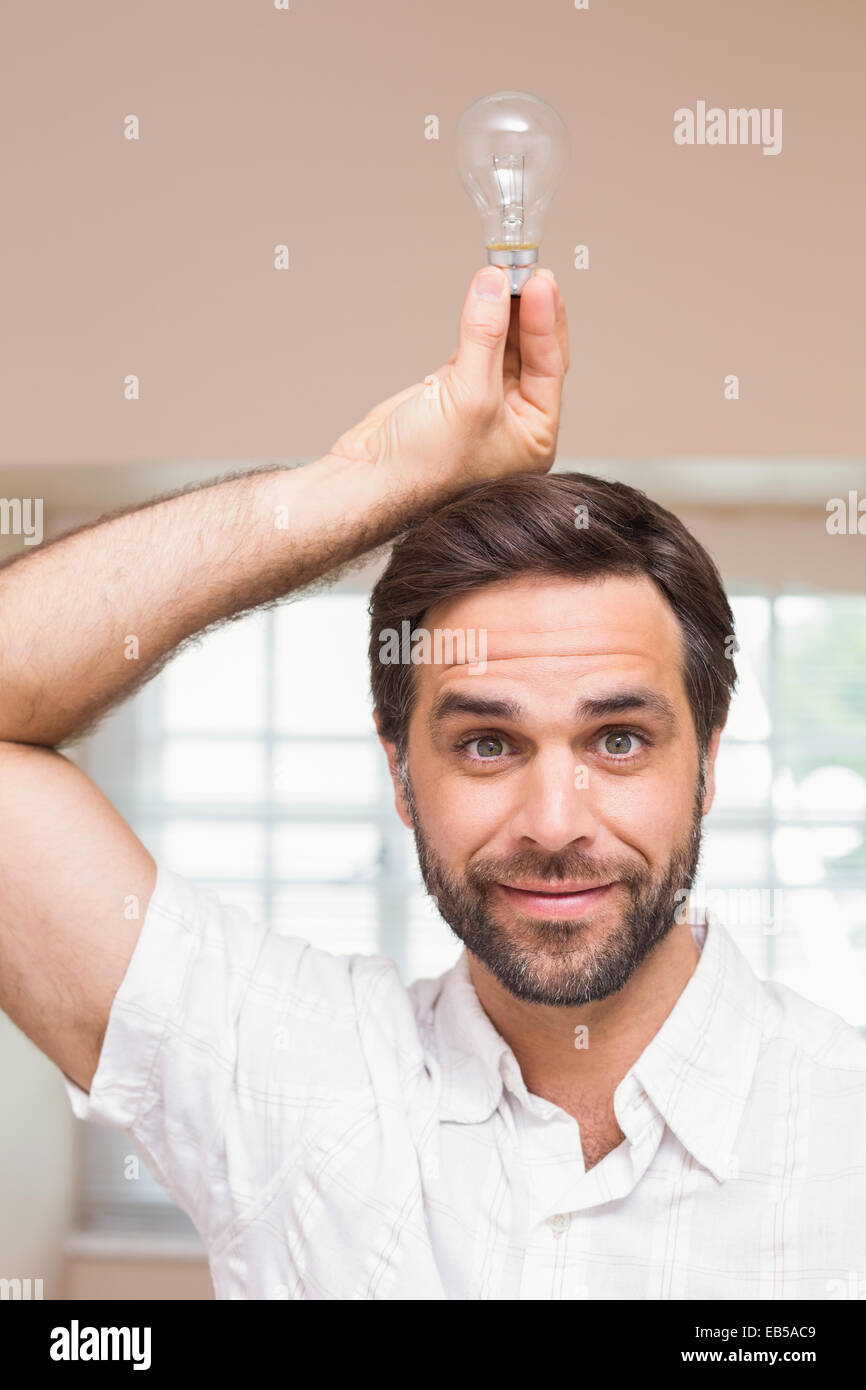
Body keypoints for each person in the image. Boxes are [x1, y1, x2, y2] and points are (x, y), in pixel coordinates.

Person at [0, 266, 863, 1301]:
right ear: (400, 772)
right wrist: (364, 482)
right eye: (487, 745)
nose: (554, 823)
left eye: (619, 740)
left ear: (708, 762)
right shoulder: (287, 1079)